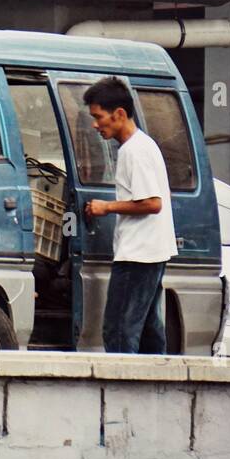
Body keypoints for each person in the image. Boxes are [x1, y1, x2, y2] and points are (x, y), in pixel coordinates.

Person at [82, 77, 176, 353]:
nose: (95, 124)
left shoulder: (134, 151)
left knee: (119, 330)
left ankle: (124, 383)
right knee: (147, 331)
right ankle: (158, 378)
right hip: (151, 252)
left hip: (138, 254)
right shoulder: (142, 145)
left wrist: (106, 207)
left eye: (98, 117)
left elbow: (152, 203)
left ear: (119, 114)